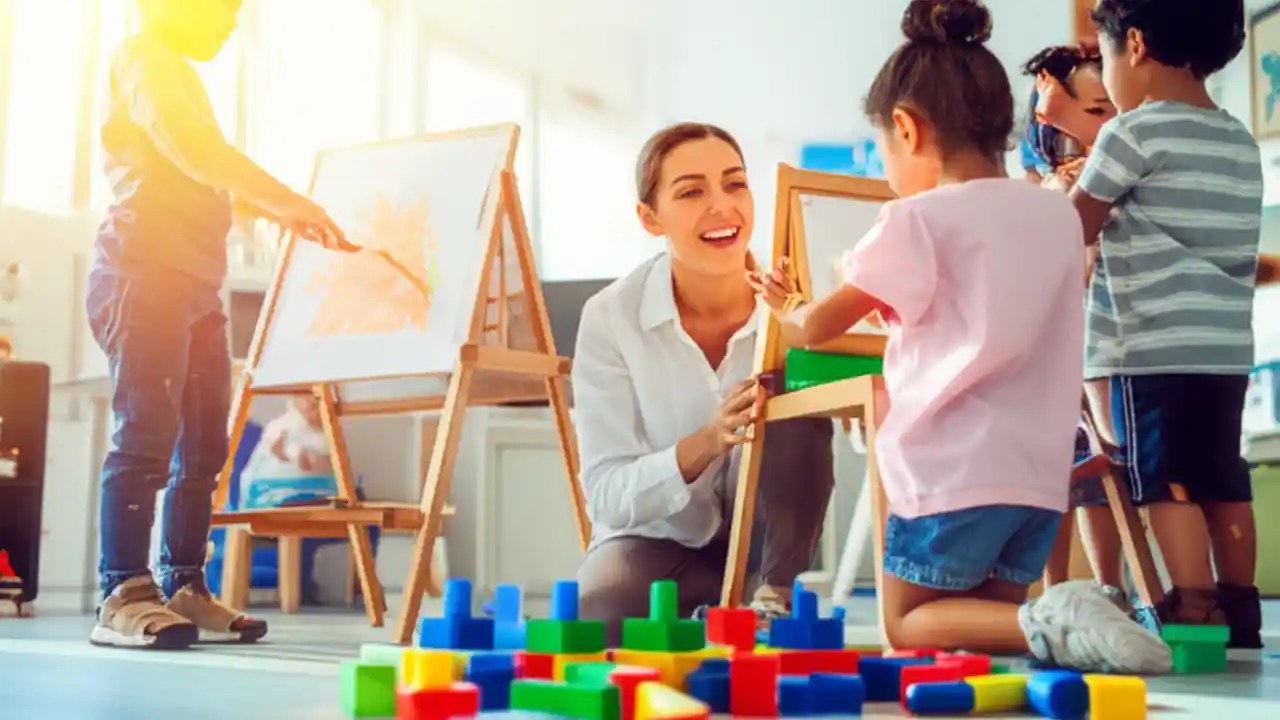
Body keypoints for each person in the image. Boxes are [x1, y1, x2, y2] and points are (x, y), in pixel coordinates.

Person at [751, 0, 1170, 673]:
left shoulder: (914, 221)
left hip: (951, 476)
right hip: (1037, 480)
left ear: (905, 129)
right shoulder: (1057, 218)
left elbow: (820, 327)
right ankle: (1056, 618)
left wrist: (785, 304)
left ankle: (1052, 613)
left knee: (909, 625)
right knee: (979, 640)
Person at [88, 0, 354, 649]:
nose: (231, 24)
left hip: (198, 284)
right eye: (223, 10)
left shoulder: (177, 69)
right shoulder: (143, 58)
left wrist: (268, 211)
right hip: (141, 274)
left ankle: (184, 583)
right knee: (147, 434)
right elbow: (194, 149)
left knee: (205, 445)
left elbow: (191, 173)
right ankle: (122, 588)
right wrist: (283, 196)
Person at [570, 122, 835, 645]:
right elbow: (604, 496)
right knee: (598, 612)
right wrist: (707, 442)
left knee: (790, 402)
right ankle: (720, 615)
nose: (721, 206)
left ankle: (769, 603)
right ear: (650, 219)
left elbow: (841, 432)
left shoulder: (799, 305)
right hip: (658, 547)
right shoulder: (610, 317)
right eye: (691, 191)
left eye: (735, 184)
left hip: (766, 554)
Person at [1068, 0, 1264, 648]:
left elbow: (1073, 227)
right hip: (1225, 351)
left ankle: (1192, 611)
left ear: (1138, 46)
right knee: (1221, 478)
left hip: (1149, 348)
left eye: (1105, 57)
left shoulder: (1133, 132)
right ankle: (1240, 610)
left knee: (1168, 482)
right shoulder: (1236, 137)